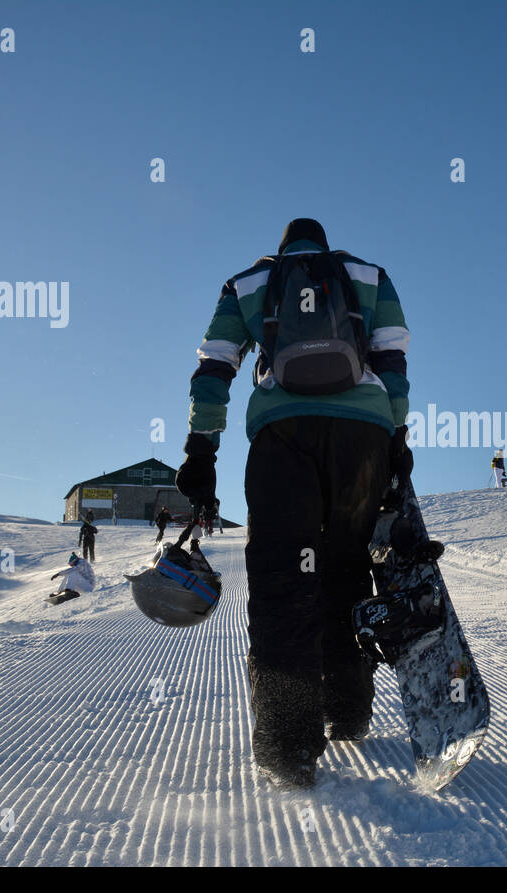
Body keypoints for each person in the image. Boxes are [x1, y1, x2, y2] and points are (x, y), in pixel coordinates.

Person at [175, 217, 412, 788]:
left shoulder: (250, 283)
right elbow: (394, 363)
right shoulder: (368, 275)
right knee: (347, 570)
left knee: (286, 578)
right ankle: (348, 712)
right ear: (323, 246)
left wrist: (201, 451)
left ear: (282, 249)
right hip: (362, 437)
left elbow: (215, 366)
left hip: (284, 436)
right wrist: (395, 441)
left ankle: (288, 745)